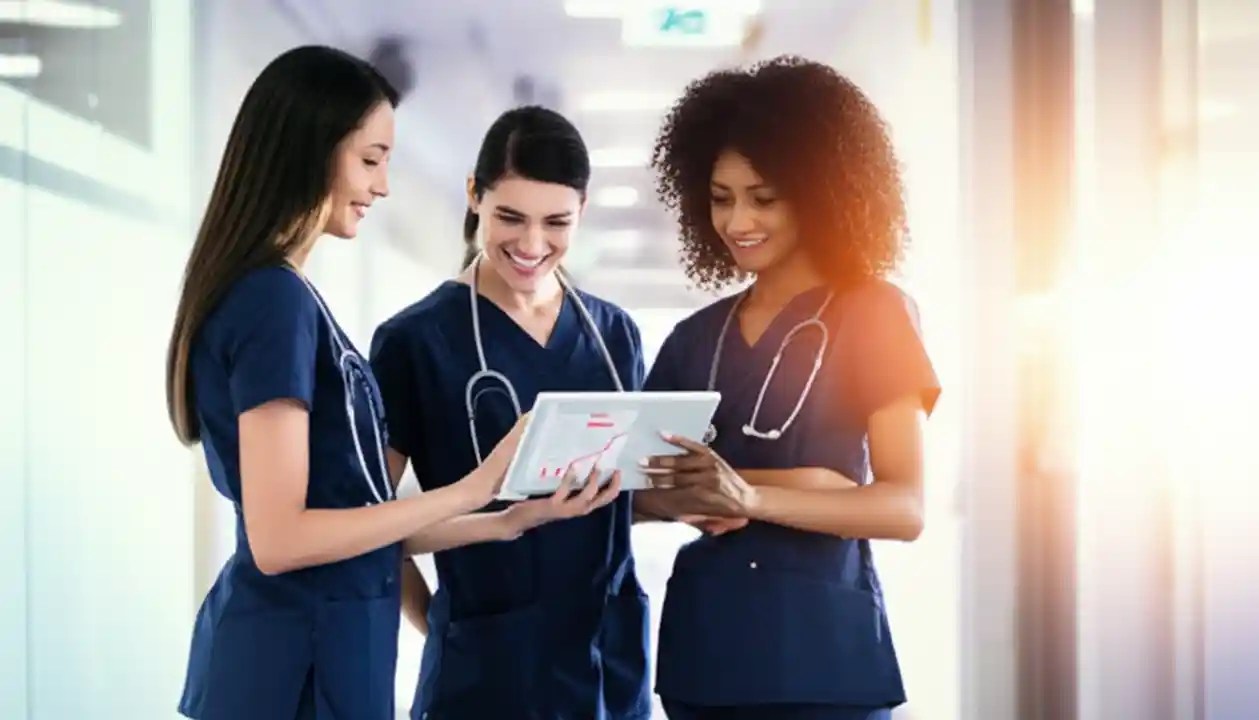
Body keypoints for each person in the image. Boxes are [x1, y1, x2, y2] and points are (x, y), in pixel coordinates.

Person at [165, 45, 523, 720]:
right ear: (309, 149)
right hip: (288, 669)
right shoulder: (272, 301)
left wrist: (502, 520)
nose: (383, 184)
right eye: (370, 158)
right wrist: (468, 490)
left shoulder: (292, 296)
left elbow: (352, 525)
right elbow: (281, 541)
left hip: (327, 654)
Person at [635, 56, 942, 720]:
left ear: (818, 191)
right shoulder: (695, 338)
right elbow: (637, 494)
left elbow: (903, 508)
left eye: (764, 197)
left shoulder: (874, 312)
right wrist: (804, 486)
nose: (738, 220)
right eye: (720, 198)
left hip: (825, 663)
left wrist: (746, 493)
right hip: (704, 661)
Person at [369, 105, 651, 720]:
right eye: (509, 217)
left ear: (583, 208)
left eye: (556, 222)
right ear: (474, 195)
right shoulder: (415, 342)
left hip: (610, 664)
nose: (531, 245)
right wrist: (446, 624)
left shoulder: (615, 336)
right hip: (484, 674)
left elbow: (629, 498)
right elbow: (373, 526)